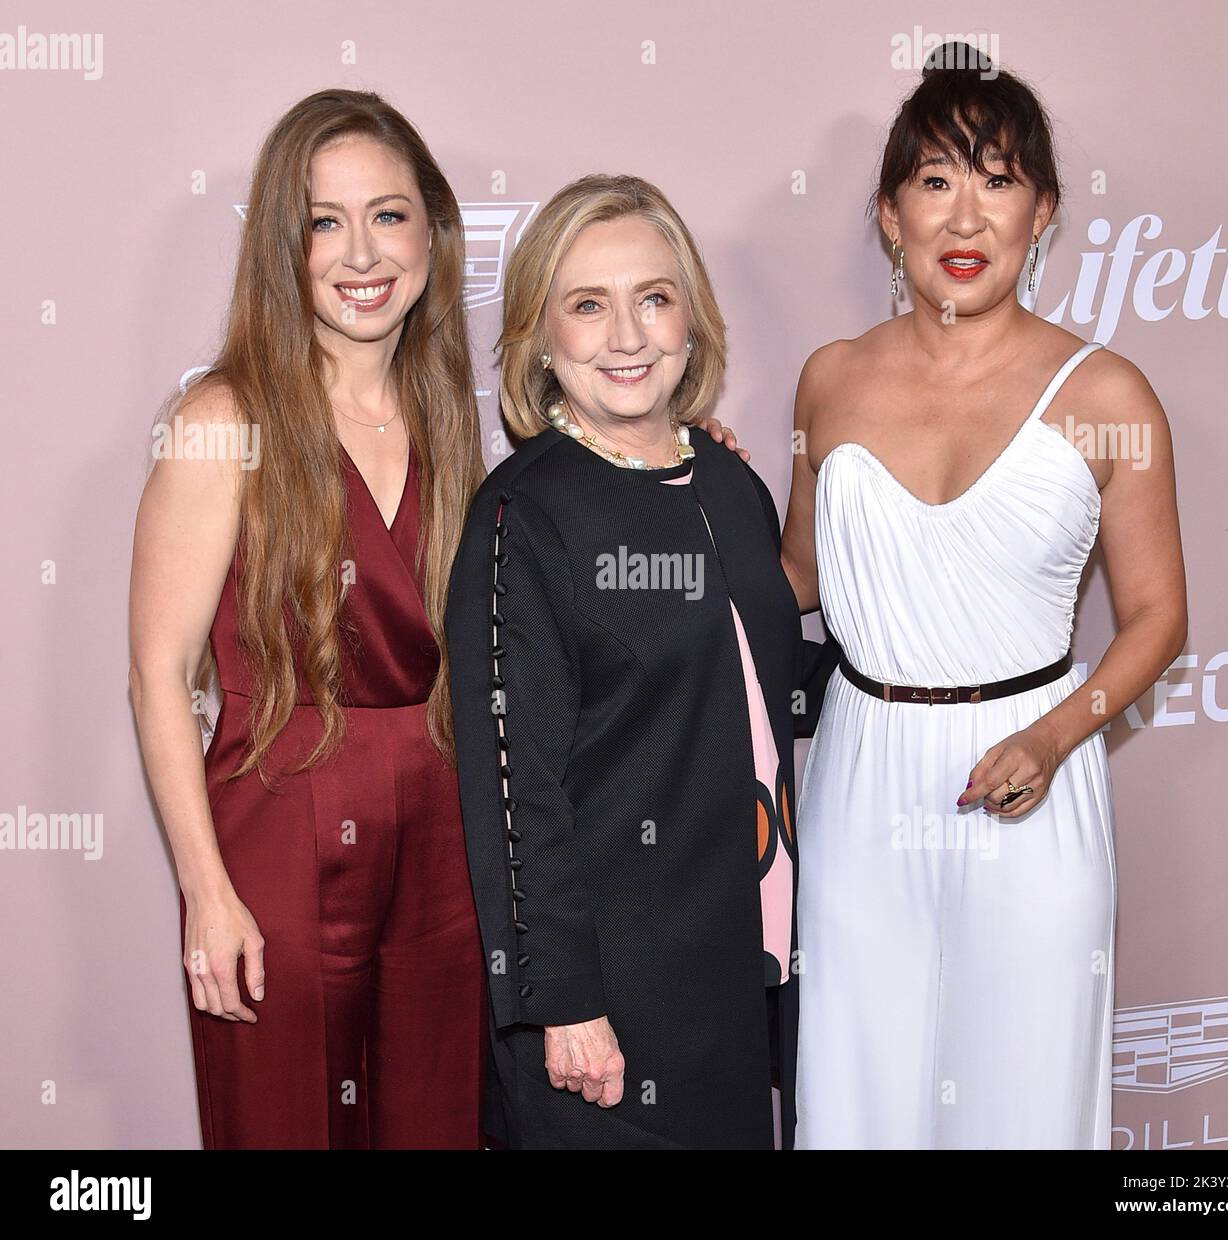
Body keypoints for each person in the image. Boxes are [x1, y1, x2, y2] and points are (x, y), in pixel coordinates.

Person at [782, 46, 1188, 1148]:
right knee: (858, 1087)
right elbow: (795, 582)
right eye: (934, 181)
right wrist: (678, 496)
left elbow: (1156, 619)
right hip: (861, 785)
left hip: (1029, 782)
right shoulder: (829, 379)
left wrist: (1055, 737)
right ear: (887, 214)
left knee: (1023, 1095)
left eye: (998, 179)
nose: (965, 217)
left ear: (1042, 210)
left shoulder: (1106, 392)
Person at [128, 89, 489, 1148]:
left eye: (387, 213)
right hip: (279, 824)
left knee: (434, 1119)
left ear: (432, 229)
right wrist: (206, 891)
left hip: (442, 830)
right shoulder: (222, 419)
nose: (359, 251)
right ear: (283, 249)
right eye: (323, 221)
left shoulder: (449, 419)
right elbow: (158, 676)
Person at [446, 174, 834, 1149]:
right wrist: (563, 1002)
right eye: (587, 305)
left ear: (692, 321)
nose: (626, 335)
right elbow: (510, 788)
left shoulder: (730, 482)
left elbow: (755, 681)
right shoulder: (521, 516)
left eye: (653, 298)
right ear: (539, 337)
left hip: (738, 963)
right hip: (610, 998)